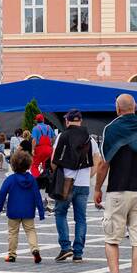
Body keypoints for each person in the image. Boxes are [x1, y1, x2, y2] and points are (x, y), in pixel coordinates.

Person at [94, 93, 137, 273]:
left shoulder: (111, 129)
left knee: (112, 239)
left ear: (117, 108)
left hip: (117, 190)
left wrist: (98, 188)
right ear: (135, 107)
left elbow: (104, 164)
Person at [50, 109, 97, 263]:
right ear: (81, 121)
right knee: (81, 219)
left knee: (60, 213)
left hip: (66, 183)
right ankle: (78, 253)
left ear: (67, 121)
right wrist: (88, 176)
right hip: (83, 185)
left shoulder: (62, 136)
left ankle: (65, 247)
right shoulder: (90, 139)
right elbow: (99, 161)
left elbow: (53, 161)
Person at [0, 149, 45, 262]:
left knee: (13, 232)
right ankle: (35, 249)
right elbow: (37, 196)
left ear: (13, 165)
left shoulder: (10, 179)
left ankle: (12, 254)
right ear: (28, 165)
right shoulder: (32, 179)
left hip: (13, 210)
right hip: (28, 211)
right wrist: (41, 212)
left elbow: (2, 194)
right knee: (30, 230)